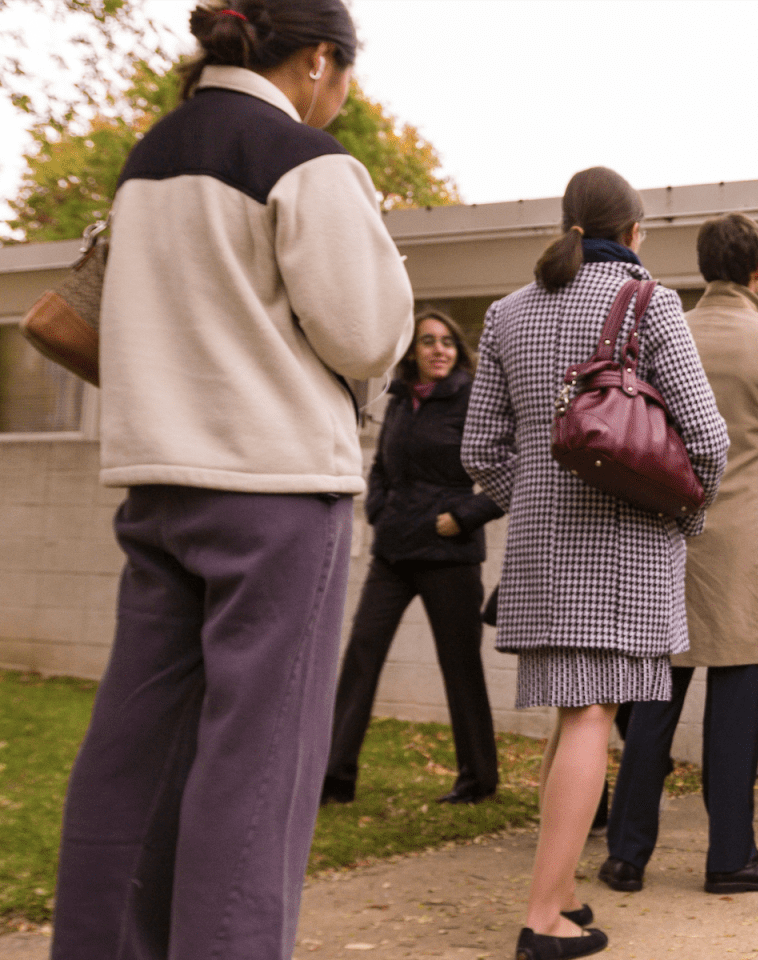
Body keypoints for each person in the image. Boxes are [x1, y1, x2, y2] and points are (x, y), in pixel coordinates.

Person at [51, 3, 414, 957]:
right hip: (276, 489)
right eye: (343, 76)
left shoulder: (148, 161)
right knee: (256, 765)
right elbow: (368, 334)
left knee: (134, 747)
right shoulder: (304, 160)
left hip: (158, 487)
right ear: (320, 59)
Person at [462, 167, 728, 960]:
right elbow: (707, 440)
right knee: (590, 717)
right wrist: (685, 513)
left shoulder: (506, 313)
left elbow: (480, 450)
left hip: (541, 553)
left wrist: (539, 495)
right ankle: (542, 917)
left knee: (570, 714)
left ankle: (564, 889)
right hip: (623, 547)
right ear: (636, 231)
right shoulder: (651, 303)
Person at [600, 213, 758, 895]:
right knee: (734, 713)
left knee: (652, 708)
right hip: (743, 552)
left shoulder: (662, 336)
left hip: (665, 538)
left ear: (703, 266)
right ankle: (730, 856)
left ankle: (626, 854)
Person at [322, 310, 505, 807]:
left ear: (457, 349)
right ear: (413, 352)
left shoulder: (473, 399)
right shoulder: (400, 398)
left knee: (460, 664)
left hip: (449, 553)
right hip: (394, 550)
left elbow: (514, 466)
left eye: (447, 341)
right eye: (428, 342)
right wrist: (379, 507)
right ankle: (335, 776)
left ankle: (478, 778)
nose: (439, 350)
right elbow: (382, 464)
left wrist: (465, 515)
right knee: (362, 654)